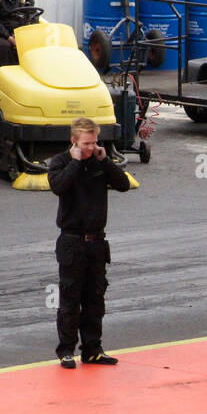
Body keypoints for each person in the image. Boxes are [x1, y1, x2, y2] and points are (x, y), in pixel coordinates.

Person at [47, 117, 134, 368]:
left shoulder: (100, 161)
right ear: (74, 141)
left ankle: (92, 349)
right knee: (70, 300)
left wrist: (104, 160)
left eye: (94, 142)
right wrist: (76, 162)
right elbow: (58, 186)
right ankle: (66, 350)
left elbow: (124, 184)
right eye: (86, 143)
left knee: (96, 298)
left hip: (97, 241)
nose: (91, 147)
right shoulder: (61, 162)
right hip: (72, 241)